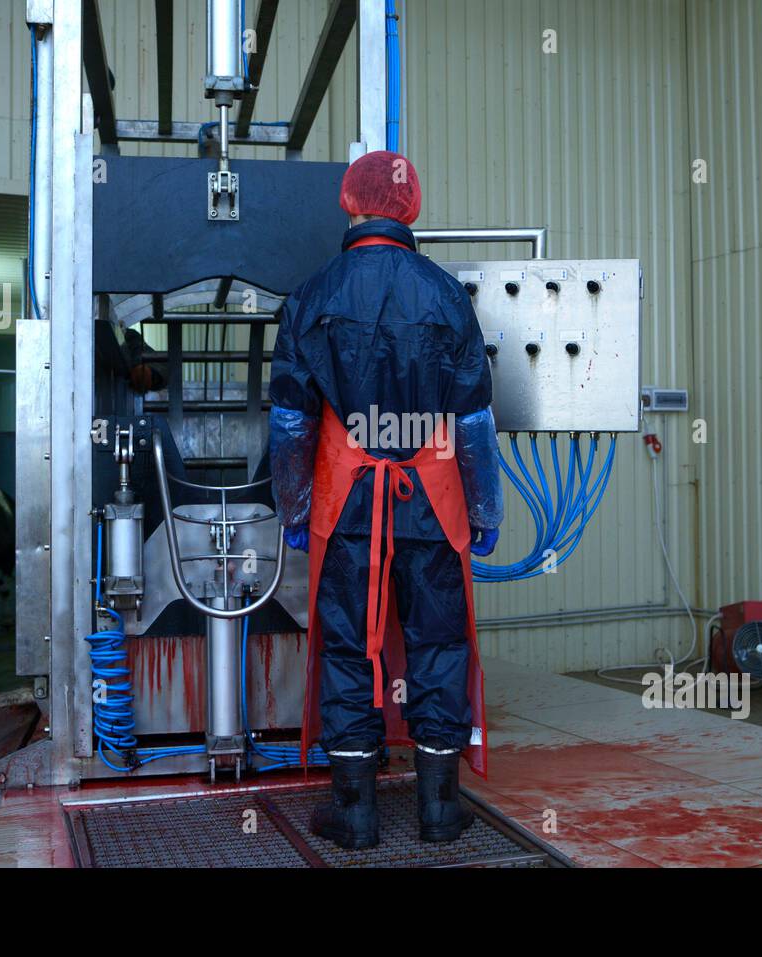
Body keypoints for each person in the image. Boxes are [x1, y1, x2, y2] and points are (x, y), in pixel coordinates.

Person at [268, 150, 504, 849]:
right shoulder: (448, 296)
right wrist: (484, 512)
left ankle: (356, 814)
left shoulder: (310, 298)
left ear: (350, 202)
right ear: (412, 208)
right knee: (438, 642)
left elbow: (290, 425)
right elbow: (474, 424)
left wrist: (294, 505)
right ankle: (438, 811)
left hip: (346, 502)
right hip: (432, 500)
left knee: (347, 646)